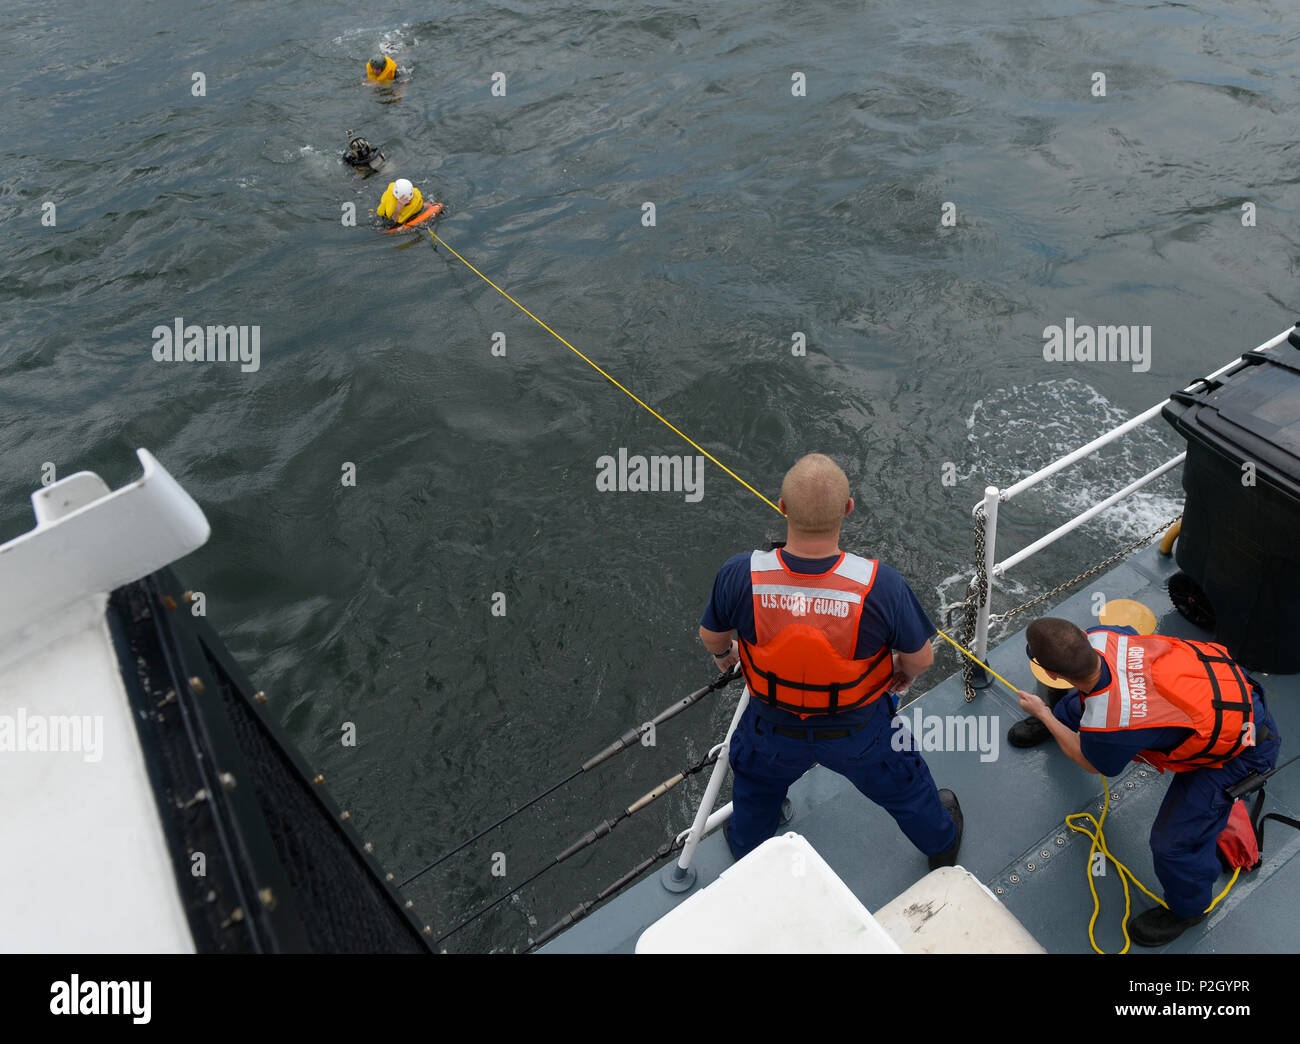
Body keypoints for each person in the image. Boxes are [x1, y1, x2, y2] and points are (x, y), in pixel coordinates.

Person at [699, 453, 962, 870]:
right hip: (860, 731)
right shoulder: (882, 585)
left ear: (781, 507)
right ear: (848, 509)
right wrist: (901, 675)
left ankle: (751, 850)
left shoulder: (740, 573)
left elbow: (713, 635)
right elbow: (921, 658)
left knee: (756, 787)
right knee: (905, 786)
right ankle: (941, 842)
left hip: (771, 726)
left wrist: (723, 656)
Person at [1016, 617, 1281, 946]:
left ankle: (1189, 909)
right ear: (1084, 637)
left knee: (1173, 845)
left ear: (1052, 674)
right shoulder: (1107, 636)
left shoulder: (1110, 729)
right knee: (1081, 702)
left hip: (1244, 751)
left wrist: (1042, 713)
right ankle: (1061, 720)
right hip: (1230, 702)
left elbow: (1090, 761)